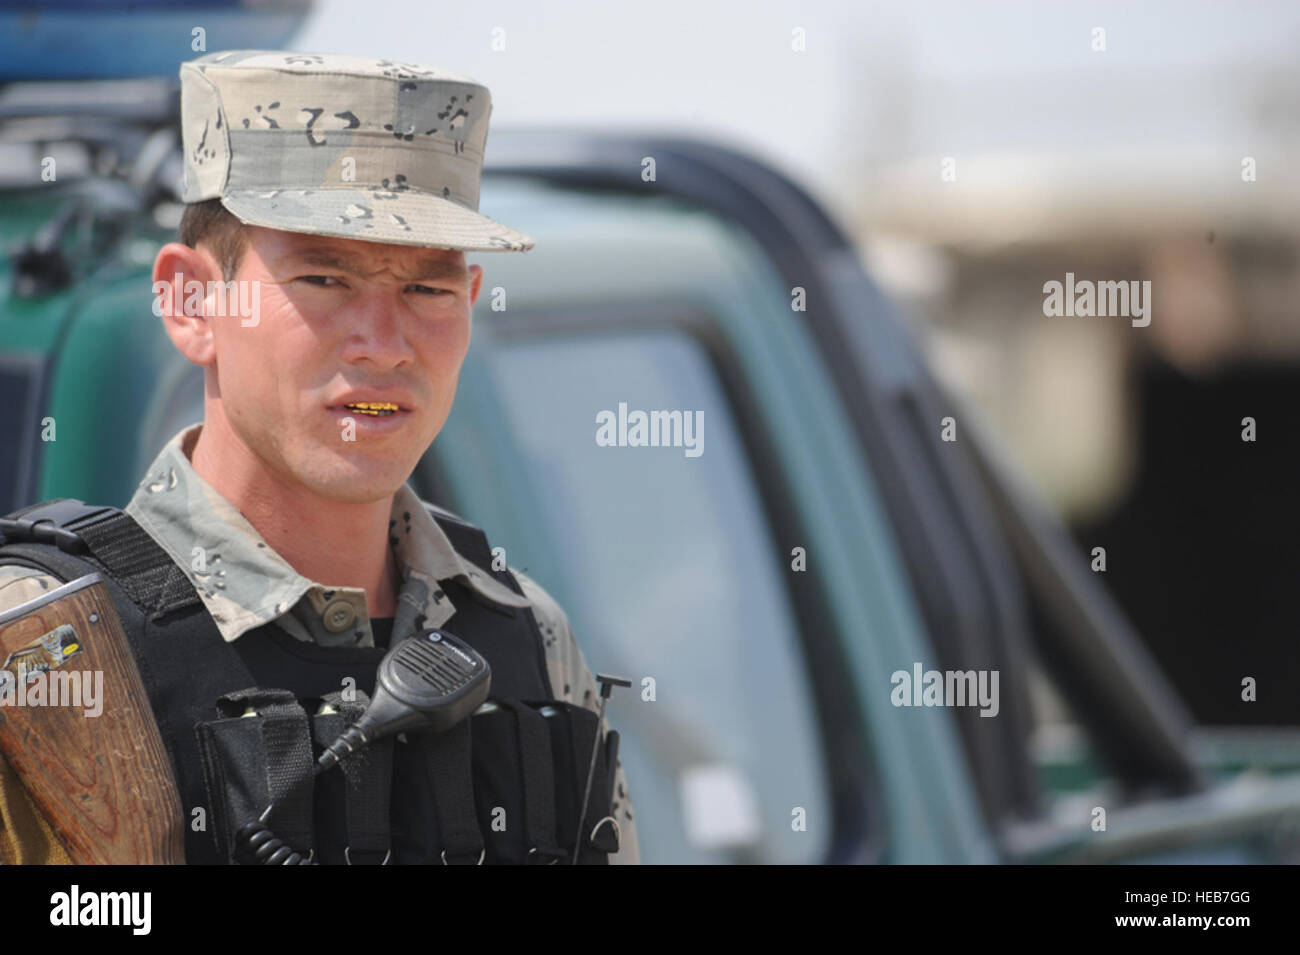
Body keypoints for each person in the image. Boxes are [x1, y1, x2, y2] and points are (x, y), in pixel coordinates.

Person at [0, 50, 638, 865]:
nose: (384, 344)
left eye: (427, 289)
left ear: (471, 302)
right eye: (326, 277)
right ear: (192, 301)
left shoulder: (529, 639)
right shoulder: (41, 646)